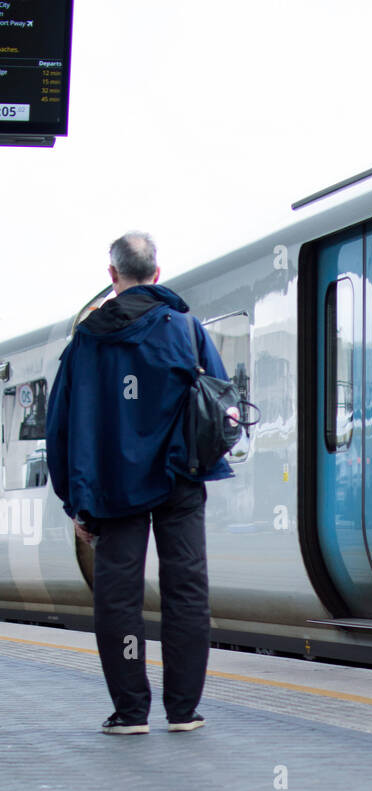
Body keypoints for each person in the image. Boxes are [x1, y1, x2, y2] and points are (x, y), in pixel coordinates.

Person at [46, 232, 234, 734]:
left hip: (114, 487)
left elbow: (60, 426)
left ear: (113, 275)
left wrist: (74, 503)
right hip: (180, 480)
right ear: (156, 272)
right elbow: (222, 406)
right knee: (186, 590)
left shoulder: (86, 340)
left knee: (119, 597)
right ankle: (183, 710)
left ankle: (131, 713)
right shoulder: (186, 328)